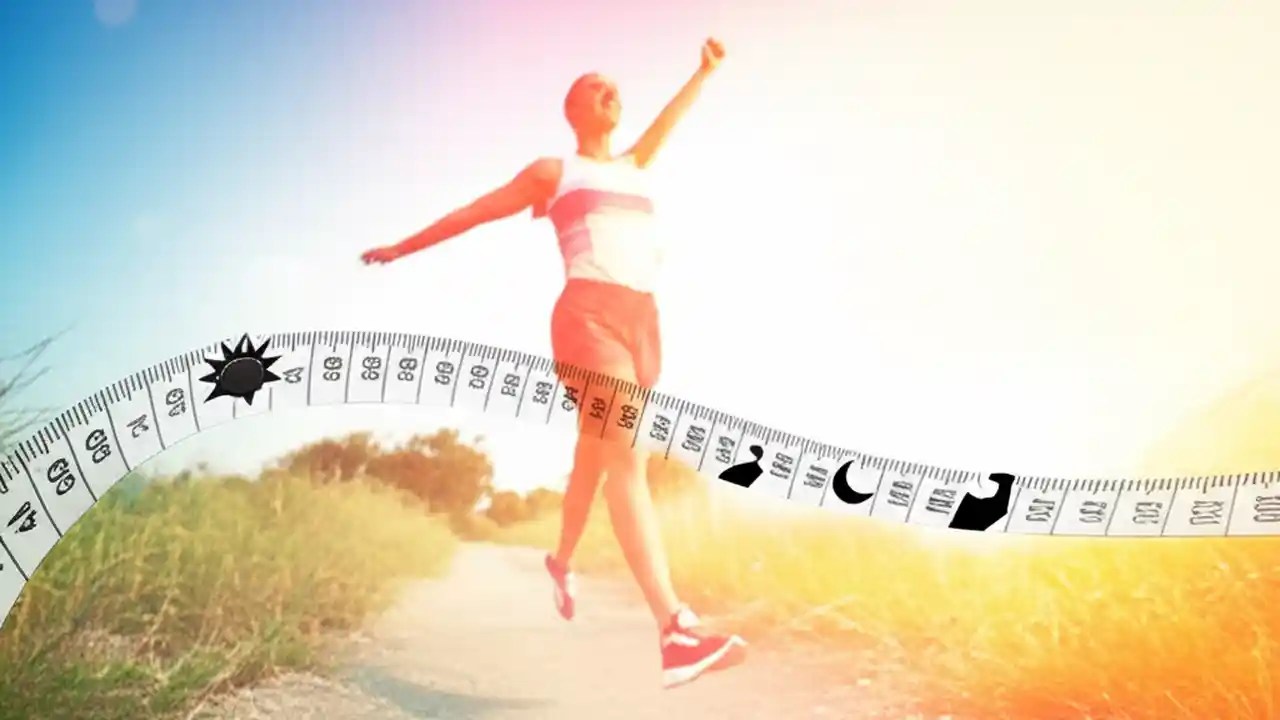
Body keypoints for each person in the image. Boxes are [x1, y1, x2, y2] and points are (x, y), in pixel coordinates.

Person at [361, 37, 746, 689]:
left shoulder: (634, 164)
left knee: (594, 456)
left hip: (643, 323)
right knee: (625, 457)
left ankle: (561, 561)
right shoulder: (553, 172)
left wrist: (702, 73)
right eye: (596, 86)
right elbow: (475, 212)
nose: (611, 91)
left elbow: (668, 121)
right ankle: (675, 630)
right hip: (588, 320)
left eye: (614, 86)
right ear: (573, 110)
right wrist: (402, 247)